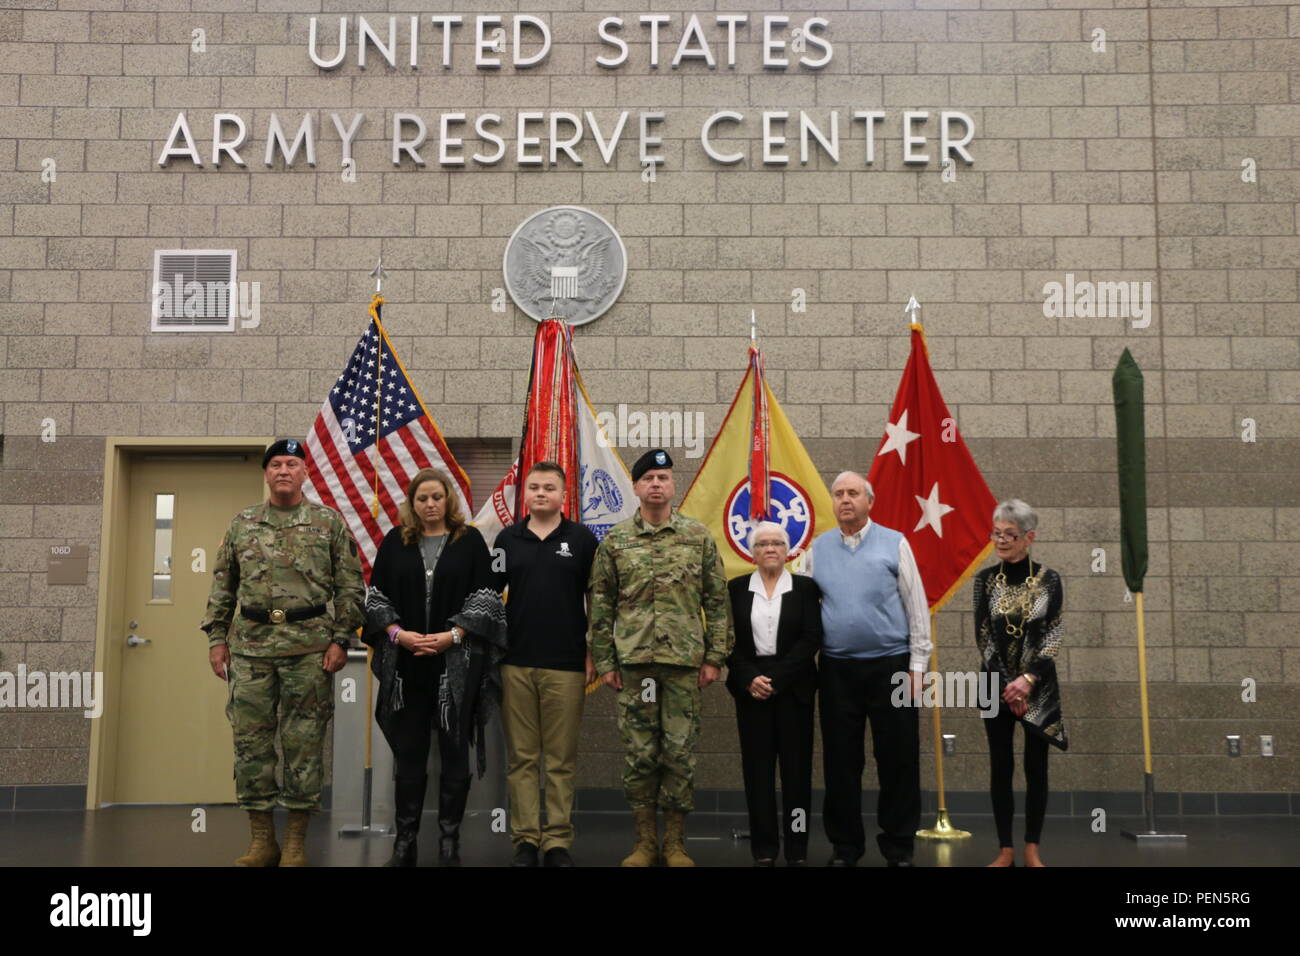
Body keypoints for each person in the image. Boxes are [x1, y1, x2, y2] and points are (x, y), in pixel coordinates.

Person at [201, 438, 365, 867]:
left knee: (304, 744)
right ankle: (261, 841)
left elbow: (350, 586)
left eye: (292, 463)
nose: (283, 471)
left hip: (309, 648)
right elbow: (223, 585)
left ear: (305, 472)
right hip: (251, 648)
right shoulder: (243, 523)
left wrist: (341, 638)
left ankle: (294, 842)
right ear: (266, 473)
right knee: (251, 744)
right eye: (276, 464)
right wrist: (217, 639)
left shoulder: (328, 523)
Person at [588, 448, 733, 867]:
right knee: (639, 754)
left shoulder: (697, 537)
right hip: (634, 666)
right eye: (648, 477)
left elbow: (717, 602)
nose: (656, 484)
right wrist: (606, 661)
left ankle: (674, 843)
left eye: (664, 477)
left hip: (684, 666)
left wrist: (715, 657)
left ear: (673, 485)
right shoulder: (615, 541)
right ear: (635, 487)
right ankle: (645, 843)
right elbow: (601, 605)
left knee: (680, 753)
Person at [361, 467, 506, 867]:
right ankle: (404, 842)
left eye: (436, 497)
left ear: (448, 501)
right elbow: (375, 599)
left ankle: (448, 842)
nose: (429, 504)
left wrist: (453, 636)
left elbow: (488, 599)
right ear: (412, 503)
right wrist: (396, 634)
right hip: (407, 666)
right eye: (422, 498)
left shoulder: (470, 541)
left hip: (456, 667)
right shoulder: (396, 542)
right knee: (410, 754)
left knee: (455, 751)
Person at [801, 471, 931, 867]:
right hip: (838, 669)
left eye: (853, 493)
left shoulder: (895, 543)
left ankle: (899, 846)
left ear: (869, 501)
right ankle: (845, 847)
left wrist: (919, 665)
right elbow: (803, 613)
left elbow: (916, 606)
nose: (845, 500)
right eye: (838, 494)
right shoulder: (816, 549)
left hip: (893, 668)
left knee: (898, 758)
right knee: (841, 762)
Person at [492, 461, 598, 867]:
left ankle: (556, 840)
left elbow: (596, 599)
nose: (540, 493)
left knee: (559, 758)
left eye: (549, 487)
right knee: (522, 758)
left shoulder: (582, 540)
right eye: (534, 486)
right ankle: (525, 839)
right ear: (526, 493)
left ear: (563, 495)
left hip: (566, 664)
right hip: (515, 662)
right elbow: (489, 592)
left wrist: (592, 651)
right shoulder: (507, 539)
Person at [974, 499, 1067, 868]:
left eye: (1009, 534)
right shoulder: (985, 580)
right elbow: (983, 636)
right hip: (994, 685)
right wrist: (1007, 685)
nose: (1000, 540)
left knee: (1035, 767)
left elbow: (1055, 633)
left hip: (1039, 686)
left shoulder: (1049, 579)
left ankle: (1031, 848)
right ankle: (1005, 849)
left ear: (1029, 537)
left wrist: (1027, 680)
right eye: (996, 533)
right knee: (1000, 765)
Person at [726, 521, 822, 867]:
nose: (770, 548)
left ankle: (796, 847)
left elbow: (810, 639)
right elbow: (728, 642)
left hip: (793, 690)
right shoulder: (735, 589)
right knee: (758, 774)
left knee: (796, 775)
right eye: (763, 543)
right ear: (752, 552)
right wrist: (751, 678)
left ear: (789, 550)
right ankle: (765, 847)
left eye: (777, 543)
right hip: (751, 693)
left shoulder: (805, 588)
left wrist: (776, 679)